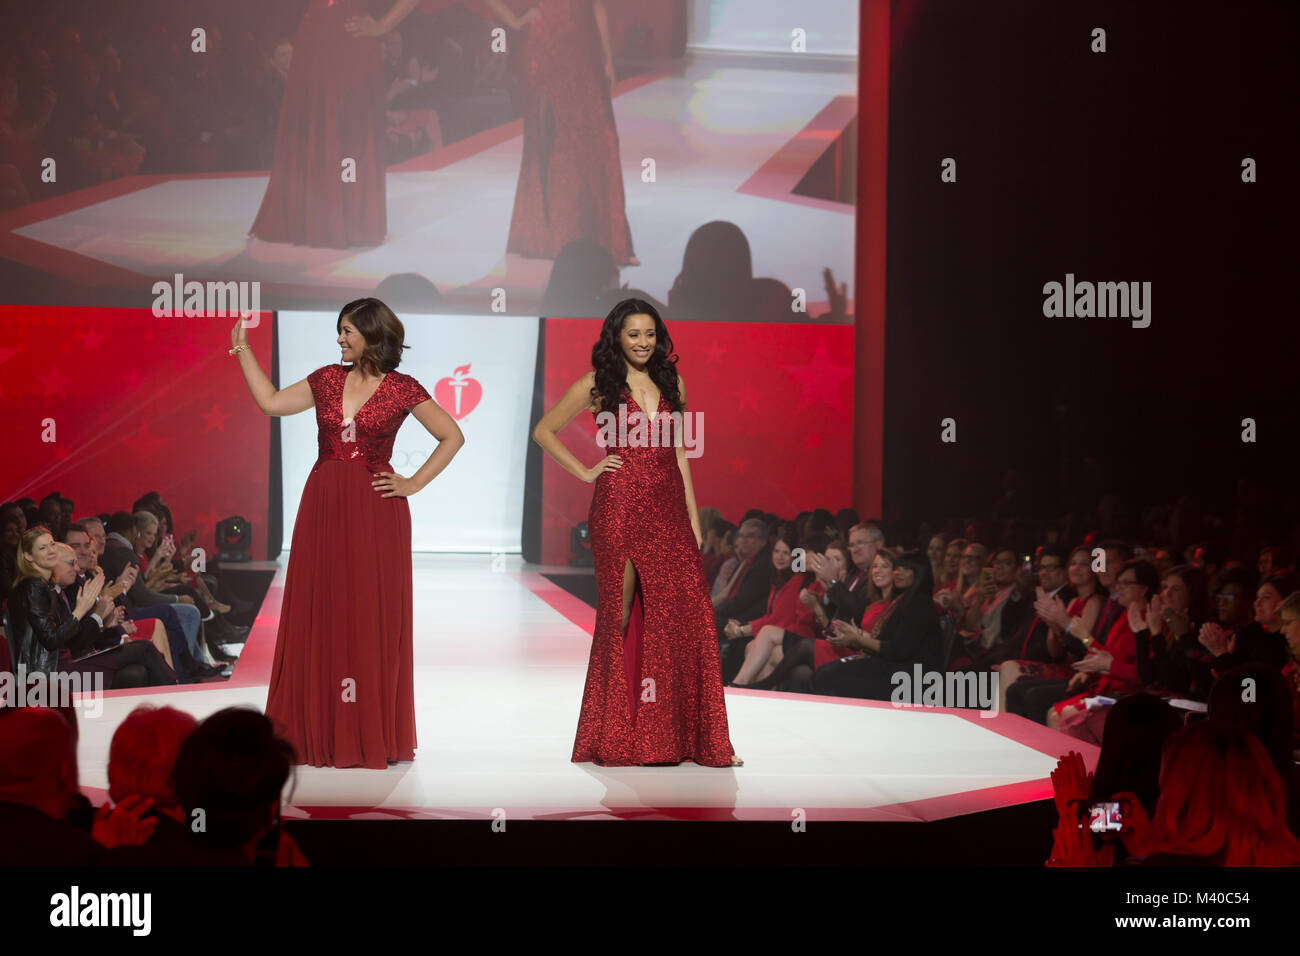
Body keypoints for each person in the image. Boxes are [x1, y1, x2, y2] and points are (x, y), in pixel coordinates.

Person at [232, 298, 465, 768]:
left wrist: (413, 483)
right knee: (321, 608)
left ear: (373, 334)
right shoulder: (325, 379)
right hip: (322, 504)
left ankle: (364, 733)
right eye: (338, 330)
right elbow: (271, 403)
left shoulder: (403, 388)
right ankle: (314, 729)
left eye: (348, 331)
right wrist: (243, 351)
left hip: (377, 511)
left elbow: (453, 435)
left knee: (367, 613)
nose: (340, 338)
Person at [532, 298, 737, 766]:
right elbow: (545, 430)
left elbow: (681, 454)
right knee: (619, 616)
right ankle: (613, 734)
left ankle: (689, 737)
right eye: (633, 335)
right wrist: (586, 471)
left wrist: (694, 518)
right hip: (620, 506)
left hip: (668, 511)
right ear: (616, 338)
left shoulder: (672, 381)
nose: (643, 343)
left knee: (688, 618)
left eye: (649, 334)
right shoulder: (597, 384)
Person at [249, 0, 423, 247]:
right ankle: (313, 221)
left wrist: (384, 26)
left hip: (351, 40)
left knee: (350, 132)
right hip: (313, 37)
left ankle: (350, 220)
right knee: (315, 129)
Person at [482, 0, 638, 266]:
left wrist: (608, 59)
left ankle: (610, 241)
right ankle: (548, 237)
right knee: (549, 142)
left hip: (583, 48)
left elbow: (599, 6)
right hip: (543, 48)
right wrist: (516, 21)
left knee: (601, 137)